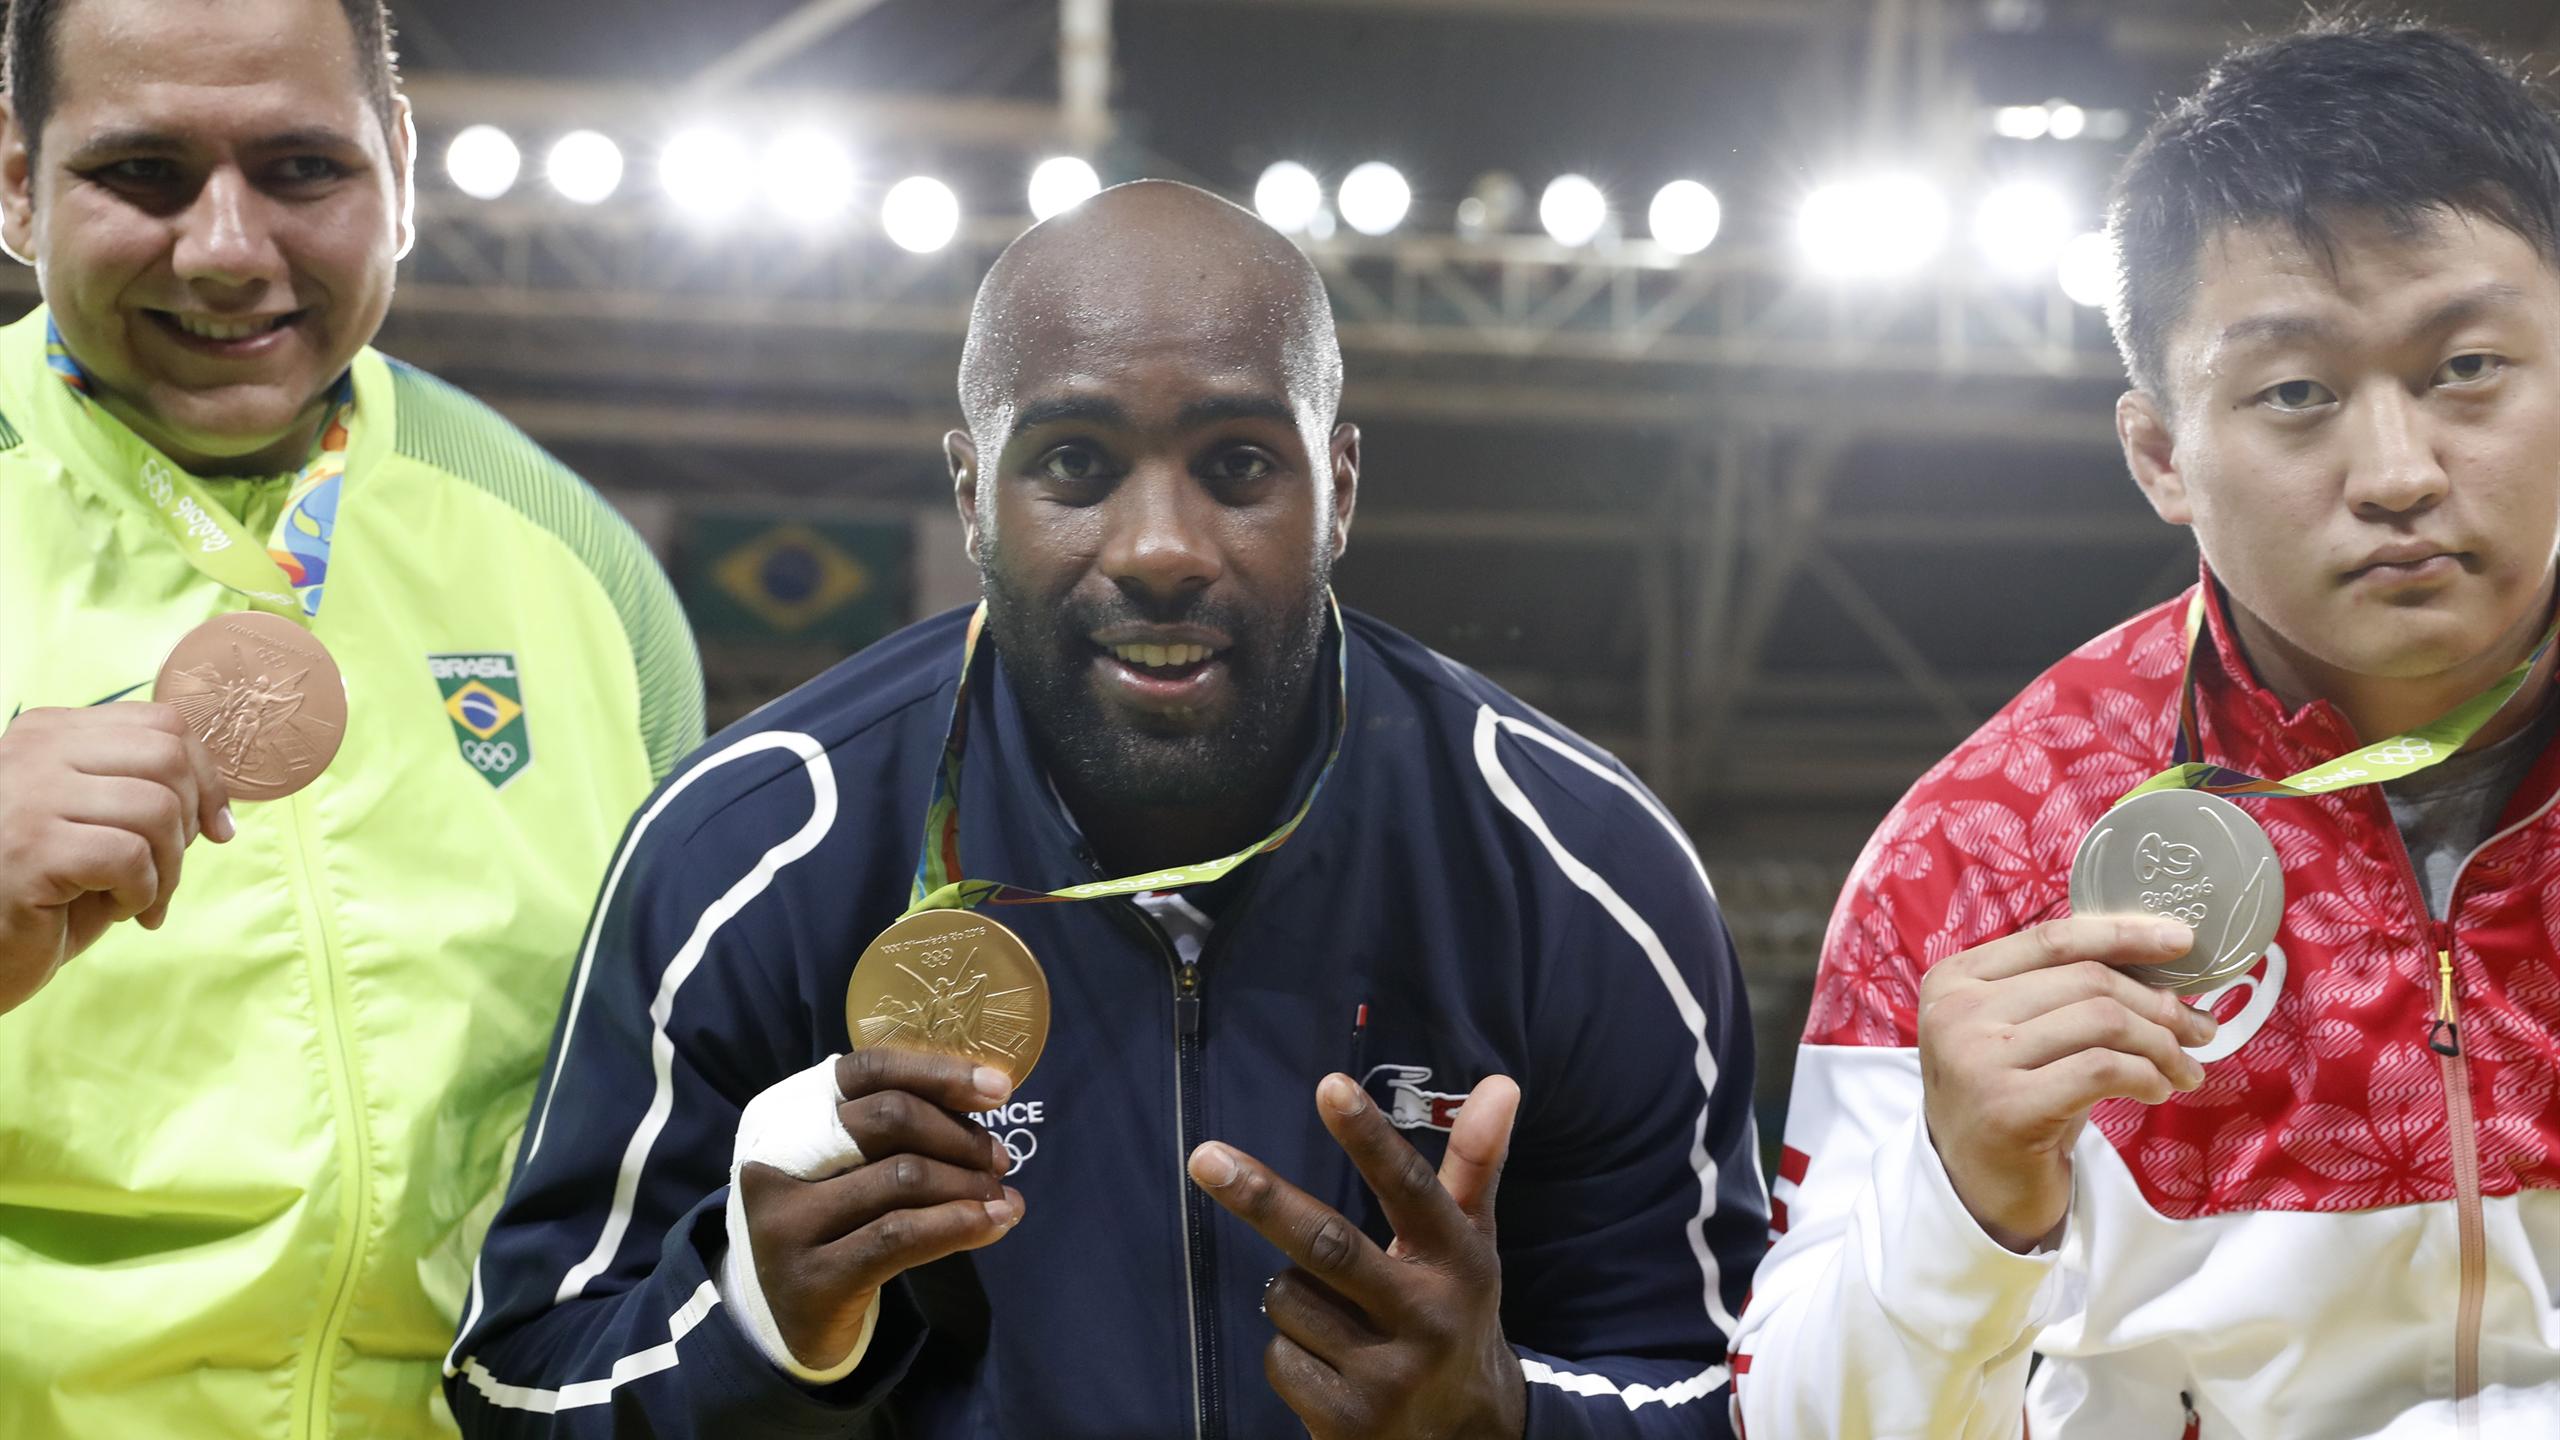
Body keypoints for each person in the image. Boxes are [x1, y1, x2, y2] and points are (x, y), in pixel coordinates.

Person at [445, 179, 1764, 1439]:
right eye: (1075, 463)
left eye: (1240, 464)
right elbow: (521, 1393)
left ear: (1341, 488)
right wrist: (761, 1331)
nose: (1160, 549)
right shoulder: (751, 852)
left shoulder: (1579, 868)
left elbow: (1741, 1396)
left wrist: (1505, 1419)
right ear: (971, 496)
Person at [1734, 20, 2560, 1438]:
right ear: (2162, 455)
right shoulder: (1986, 849)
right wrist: (1963, 1194)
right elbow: (1798, 1424)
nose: (2399, 471)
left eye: (2467, 367)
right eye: (2296, 393)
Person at [0, 0, 702, 1435]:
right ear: (16, 179)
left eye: (301, 169)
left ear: (399, 166)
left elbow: (664, 1132)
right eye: (141, 173)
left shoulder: (580, 569)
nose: (226, 248)